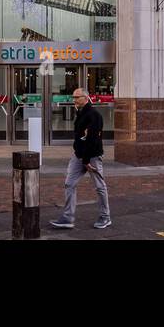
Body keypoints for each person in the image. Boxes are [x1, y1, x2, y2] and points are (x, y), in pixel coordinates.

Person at [51, 87, 112, 230]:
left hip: (92, 157)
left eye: (76, 97)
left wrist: (86, 160)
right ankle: (67, 218)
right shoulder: (81, 113)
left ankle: (105, 217)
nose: (74, 100)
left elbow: (92, 139)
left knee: (100, 186)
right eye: (73, 97)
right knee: (69, 184)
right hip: (78, 155)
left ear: (85, 98)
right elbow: (81, 136)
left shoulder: (93, 115)